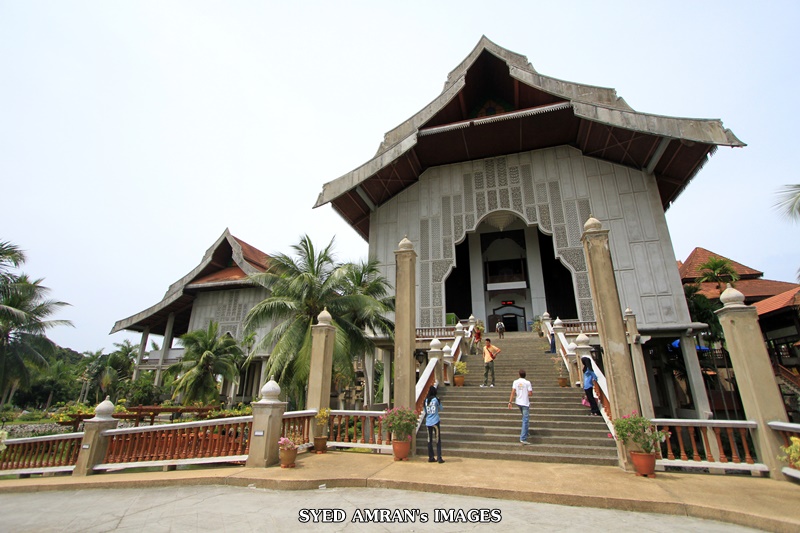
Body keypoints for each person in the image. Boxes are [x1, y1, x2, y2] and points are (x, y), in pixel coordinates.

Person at [508, 369, 533, 445]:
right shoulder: (527, 382)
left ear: (519, 375)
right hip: (525, 402)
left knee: (524, 418)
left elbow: (513, 392)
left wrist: (510, 402)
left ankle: (525, 431)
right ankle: (523, 438)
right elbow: (530, 393)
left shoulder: (515, 382)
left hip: (518, 402)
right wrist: (526, 393)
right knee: (525, 419)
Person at [424, 384, 444, 463]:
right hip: (435, 421)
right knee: (438, 440)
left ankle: (431, 457)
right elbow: (441, 408)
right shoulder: (436, 399)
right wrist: (439, 401)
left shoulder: (426, 400)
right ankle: (439, 458)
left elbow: (425, 411)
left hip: (428, 422)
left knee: (429, 440)